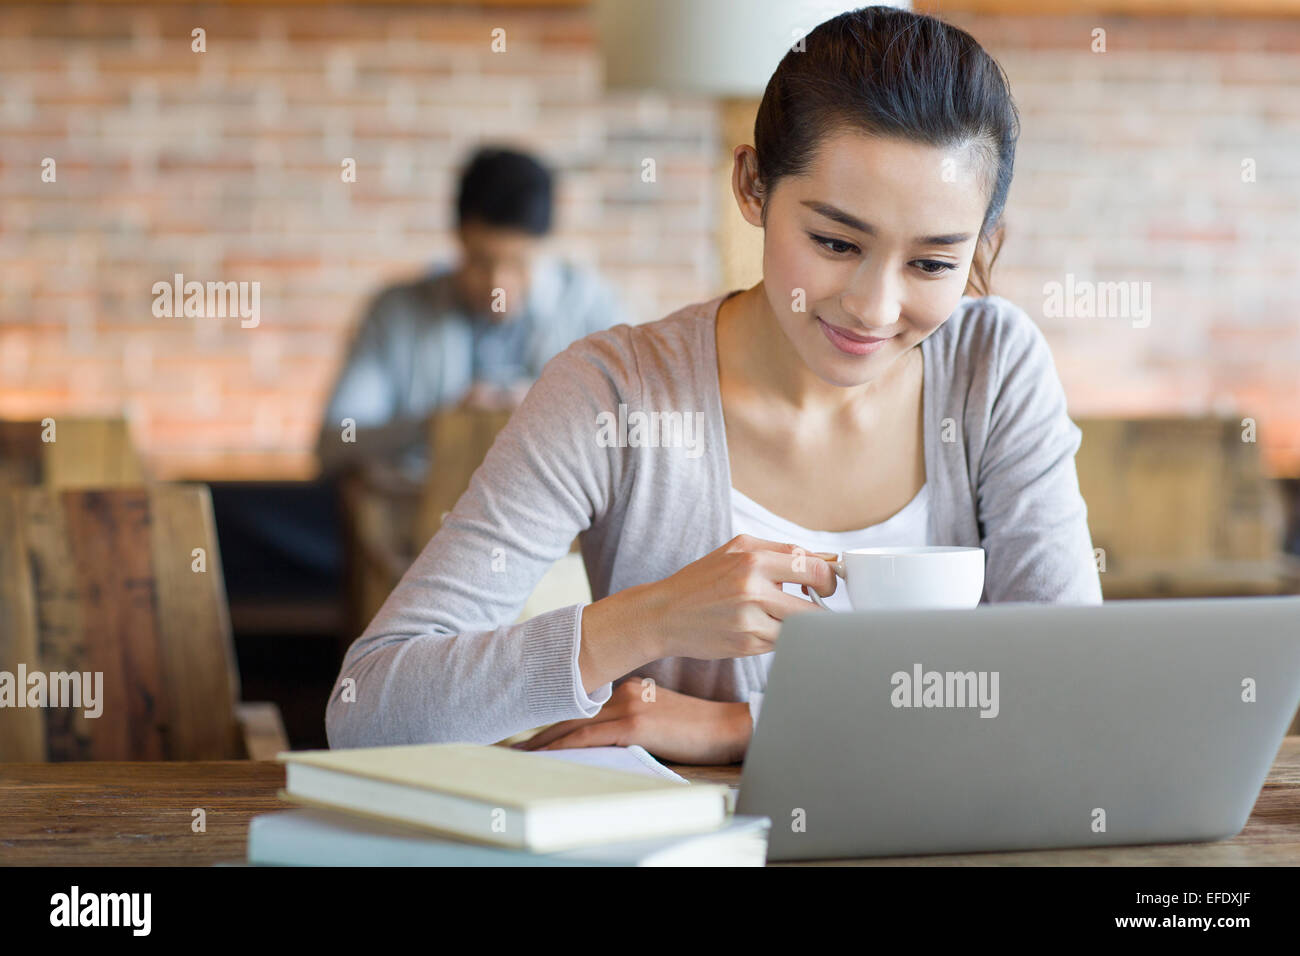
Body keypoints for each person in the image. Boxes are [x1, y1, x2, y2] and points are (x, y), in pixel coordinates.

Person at [326, 7, 1102, 763]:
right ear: (753, 187)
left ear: (983, 245)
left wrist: (741, 724)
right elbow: (371, 710)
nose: (874, 307)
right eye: (834, 241)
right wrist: (647, 621)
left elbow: (1076, 684)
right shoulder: (613, 394)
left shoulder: (994, 368)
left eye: (933, 263)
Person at [317, 146, 627, 479]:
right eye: (481, 261)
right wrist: (442, 425)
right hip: (423, 525)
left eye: (517, 263)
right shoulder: (397, 313)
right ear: (458, 239)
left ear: (546, 247)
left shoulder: (593, 308)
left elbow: (640, 436)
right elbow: (335, 443)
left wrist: (552, 413)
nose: (497, 285)